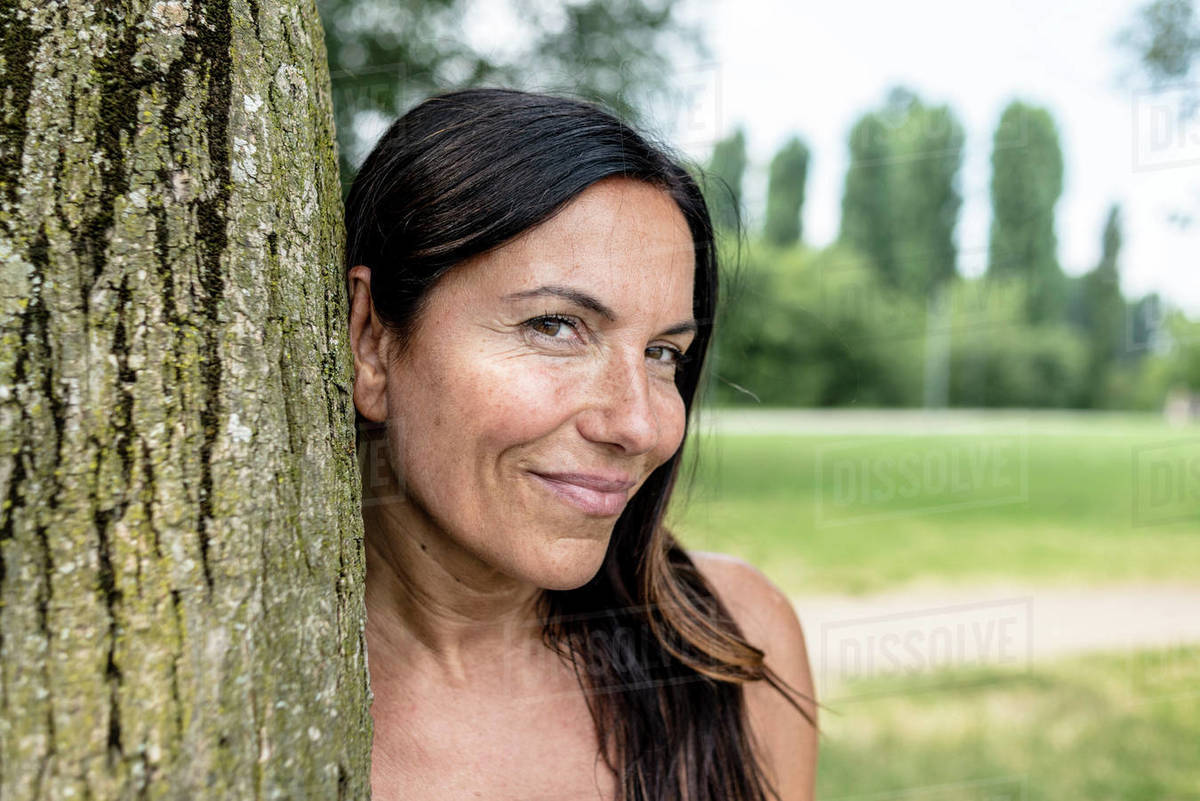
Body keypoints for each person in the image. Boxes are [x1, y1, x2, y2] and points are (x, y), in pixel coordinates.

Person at [344, 87, 819, 801]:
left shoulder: (733, 650)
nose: (639, 424)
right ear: (372, 343)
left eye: (664, 352)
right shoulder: (249, 699)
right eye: (555, 326)